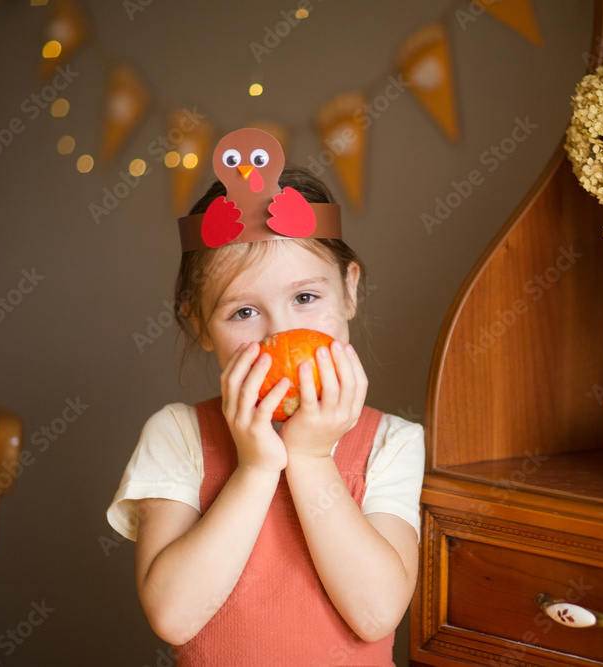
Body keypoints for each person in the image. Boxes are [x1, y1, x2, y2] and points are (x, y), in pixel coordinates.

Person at [106, 128, 425, 666]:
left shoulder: (391, 442)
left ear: (349, 290)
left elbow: (375, 614)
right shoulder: (177, 436)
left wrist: (309, 456)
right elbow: (174, 616)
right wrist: (255, 469)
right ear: (201, 326)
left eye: (305, 297)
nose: (278, 334)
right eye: (243, 312)